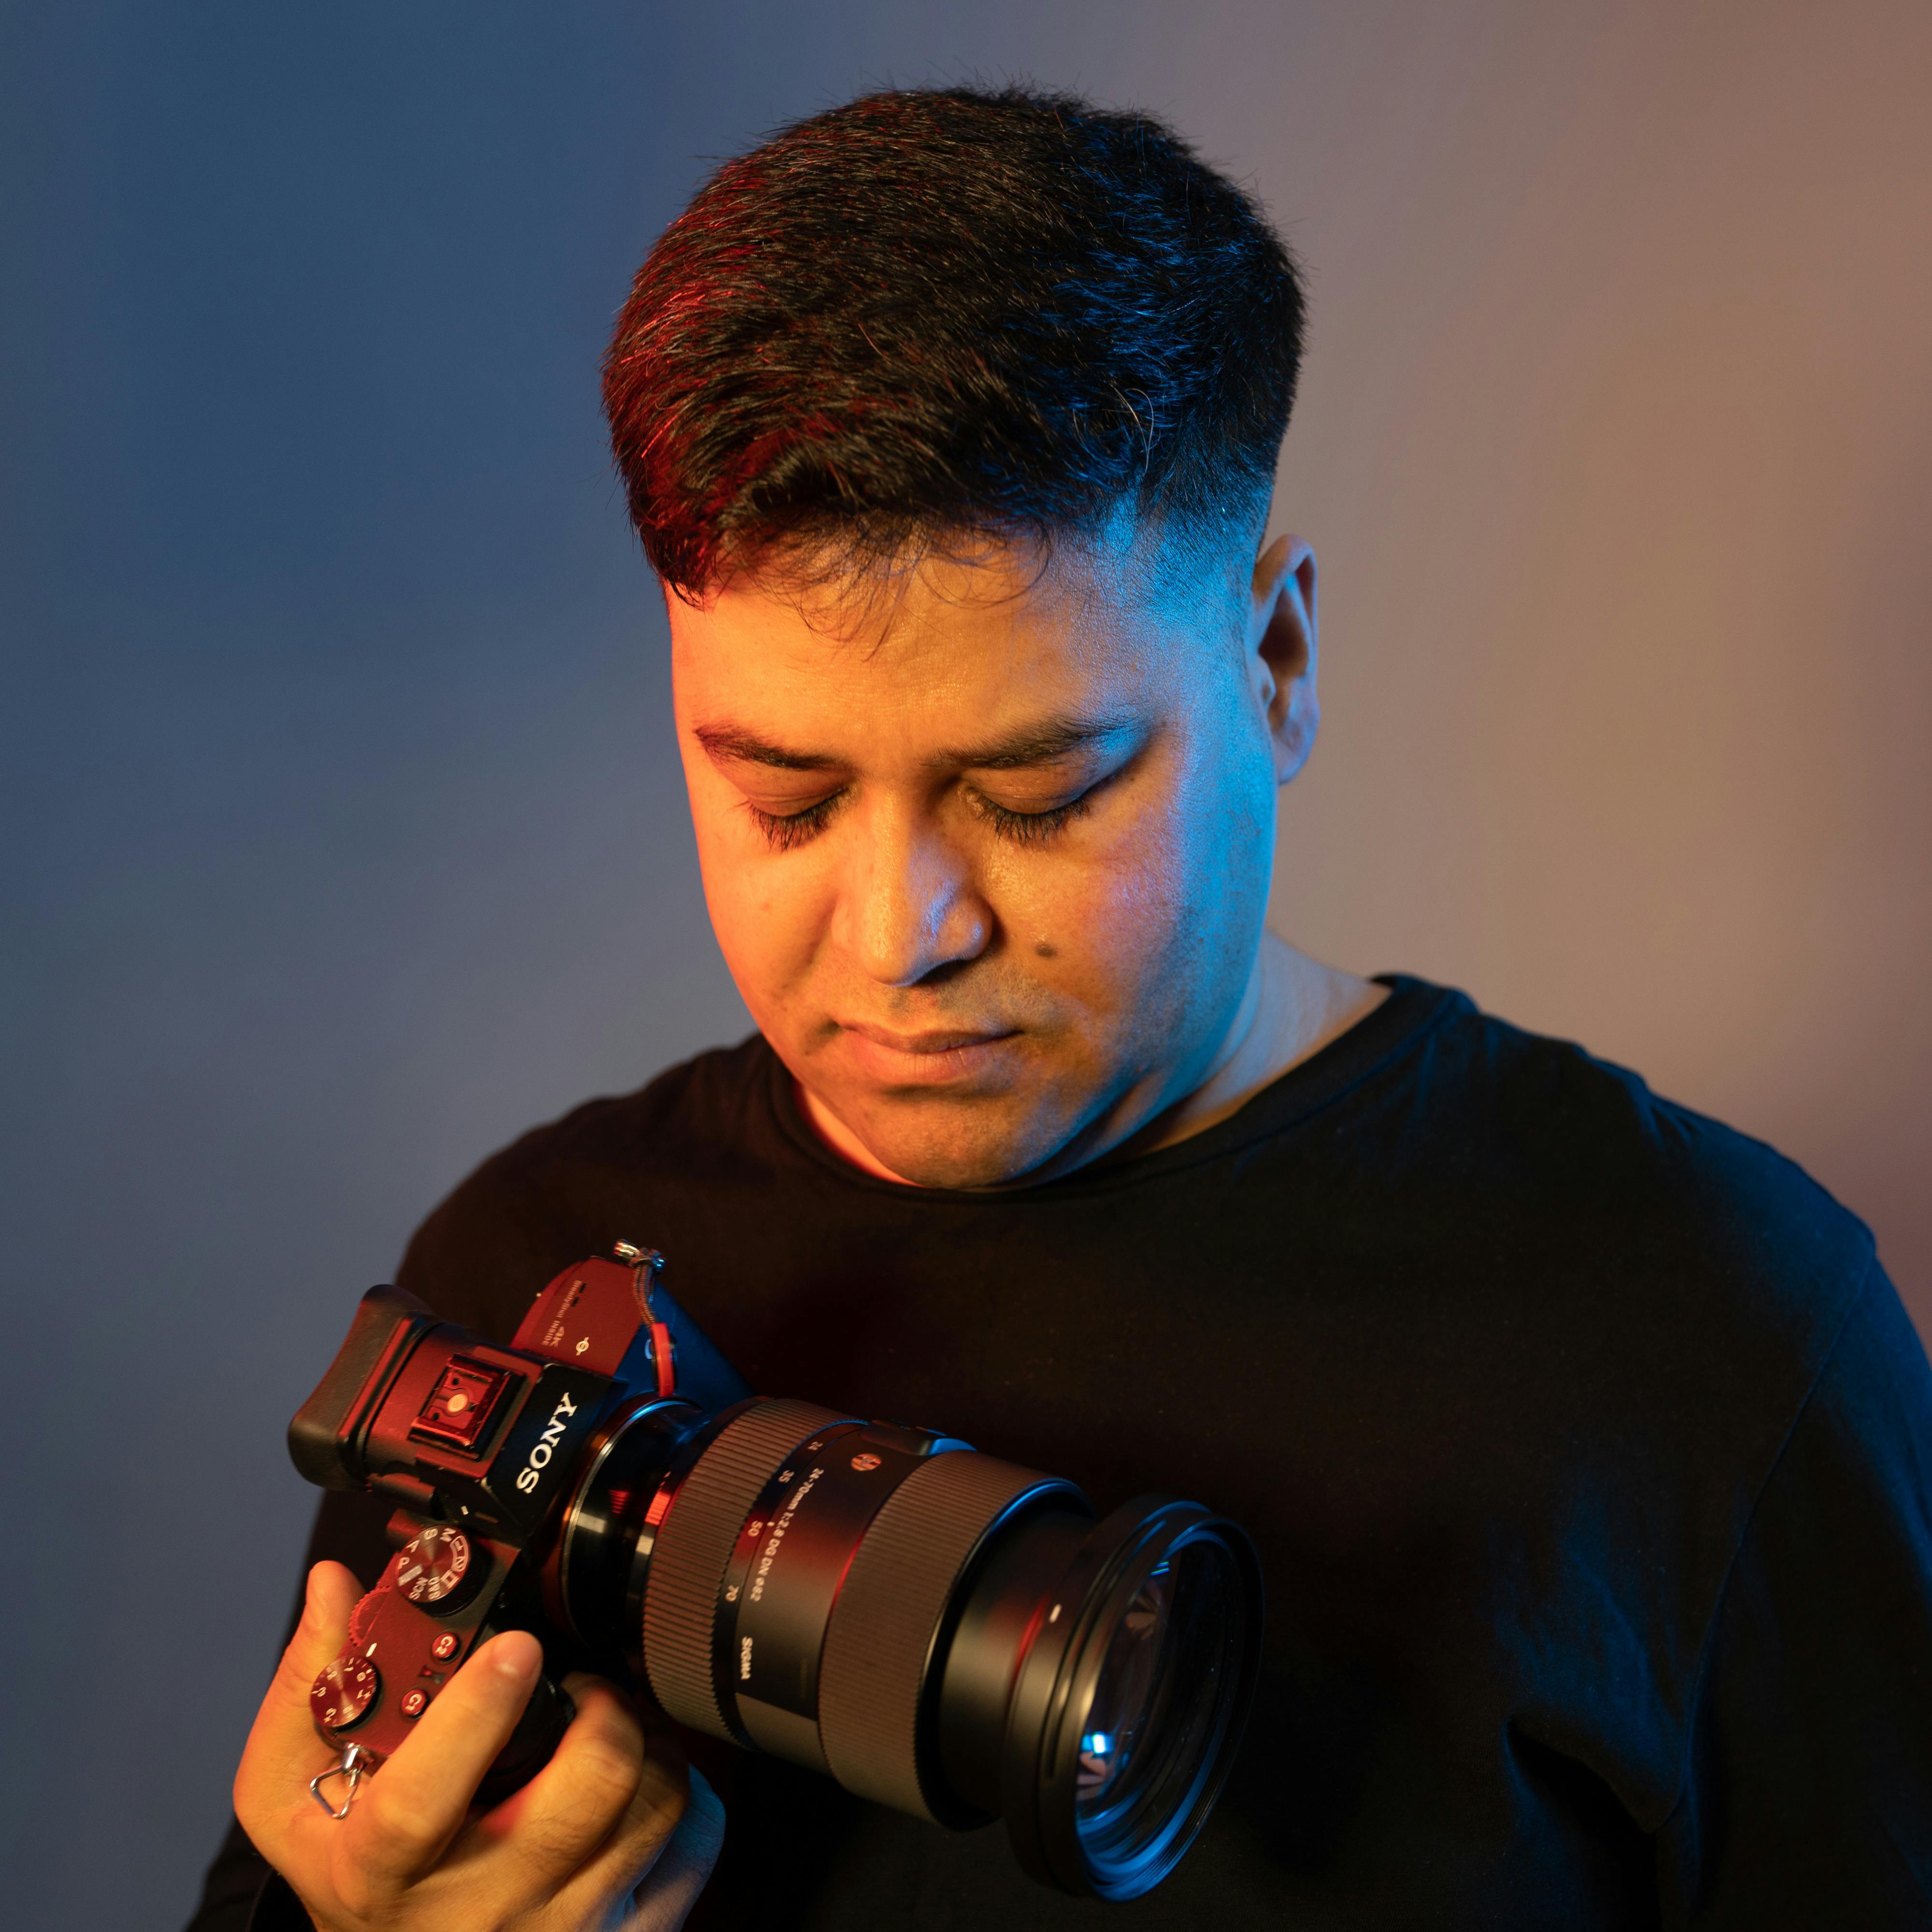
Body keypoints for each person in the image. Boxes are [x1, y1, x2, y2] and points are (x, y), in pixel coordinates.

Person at [190, 85, 1932, 1931]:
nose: (895, 933)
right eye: (779, 795)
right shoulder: (531, 1270)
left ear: (1276, 659)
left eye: (1038, 795)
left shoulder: (1712, 1327)